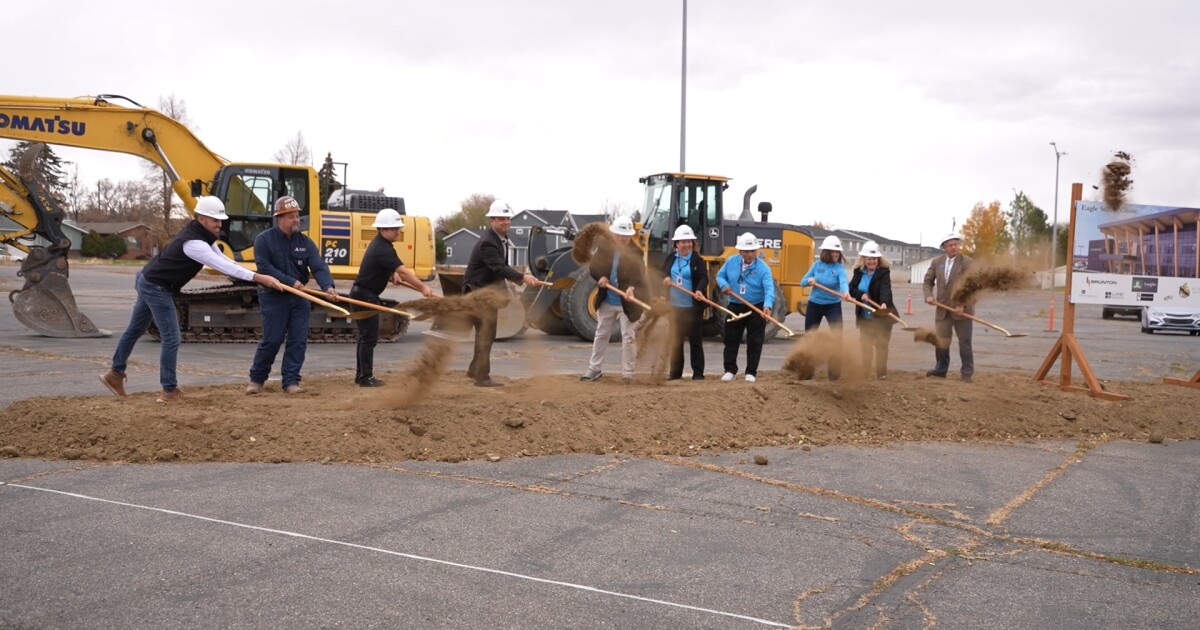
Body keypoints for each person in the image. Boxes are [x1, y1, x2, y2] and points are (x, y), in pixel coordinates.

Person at [99, 197, 285, 402]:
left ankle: (115, 375)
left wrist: (257, 274)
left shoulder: (203, 236)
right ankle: (169, 390)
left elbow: (226, 261)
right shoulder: (194, 244)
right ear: (202, 218)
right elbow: (221, 266)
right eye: (215, 220)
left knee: (135, 330)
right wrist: (259, 278)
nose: (220, 224)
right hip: (156, 286)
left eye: (220, 220)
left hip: (148, 279)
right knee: (171, 337)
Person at [246, 196, 337, 395]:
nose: (297, 220)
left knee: (297, 340)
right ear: (280, 218)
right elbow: (264, 267)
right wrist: (290, 282)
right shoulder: (264, 240)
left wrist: (328, 287)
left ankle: (290, 382)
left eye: (297, 216)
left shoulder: (305, 242)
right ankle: (257, 380)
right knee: (272, 339)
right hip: (273, 297)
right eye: (292, 217)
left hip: (299, 298)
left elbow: (318, 266)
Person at [350, 208, 434, 387]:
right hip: (365, 296)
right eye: (394, 228)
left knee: (366, 337)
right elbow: (403, 272)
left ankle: (361, 376)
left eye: (398, 228)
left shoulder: (381, 245)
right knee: (369, 338)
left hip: (363, 293)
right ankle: (365, 378)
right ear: (382, 229)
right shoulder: (383, 248)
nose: (398, 231)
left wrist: (391, 273)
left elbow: (387, 267)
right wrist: (423, 287)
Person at [462, 199, 538, 387]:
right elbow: (498, 267)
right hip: (477, 292)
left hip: (486, 291)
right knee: (486, 333)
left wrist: (518, 277)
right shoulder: (488, 243)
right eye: (502, 219)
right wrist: (522, 278)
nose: (506, 222)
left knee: (485, 332)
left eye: (508, 219)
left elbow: (501, 266)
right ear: (492, 221)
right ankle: (482, 377)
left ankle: (474, 370)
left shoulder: (499, 240)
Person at [580, 216, 648, 383]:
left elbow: (639, 276)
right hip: (607, 300)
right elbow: (594, 267)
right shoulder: (604, 248)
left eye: (626, 236)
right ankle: (594, 369)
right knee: (601, 333)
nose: (622, 239)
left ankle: (628, 373)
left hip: (627, 302)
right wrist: (601, 277)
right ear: (613, 234)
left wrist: (632, 288)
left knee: (628, 336)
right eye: (619, 235)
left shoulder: (636, 253)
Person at [716, 232, 774, 382]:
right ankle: (730, 370)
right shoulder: (731, 261)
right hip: (735, 305)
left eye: (752, 251)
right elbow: (720, 276)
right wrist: (724, 285)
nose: (749, 254)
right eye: (746, 251)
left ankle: (751, 372)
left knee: (755, 341)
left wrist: (767, 305)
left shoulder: (763, 268)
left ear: (756, 250)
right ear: (740, 251)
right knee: (730, 339)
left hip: (756, 306)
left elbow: (769, 288)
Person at [923, 233, 974, 382]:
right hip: (942, 310)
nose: (954, 247)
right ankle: (941, 369)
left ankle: (966, 373)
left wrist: (963, 304)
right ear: (944, 247)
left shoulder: (967, 262)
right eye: (950, 245)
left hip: (962, 312)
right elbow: (928, 281)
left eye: (956, 244)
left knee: (965, 342)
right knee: (941, 341)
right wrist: (928, 296)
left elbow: (974, 286)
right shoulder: (937, 262)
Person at [659, 225, 708, 380]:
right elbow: (662, 273)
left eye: (689, 241)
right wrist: (665, 278)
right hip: (674, 307)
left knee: (695, 341)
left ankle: (698, 373)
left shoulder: (697, 260)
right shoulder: (671, 258)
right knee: (676, 341)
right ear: (676, 244)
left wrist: (699, 290)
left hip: (692, 308)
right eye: (683, 242)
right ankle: (675, 373)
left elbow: (703, 278)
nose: (686, 244)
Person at [800, 235, 850, 380]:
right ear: (826, 252)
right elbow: (802, 281)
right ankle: (807, 371)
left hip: (833, 306)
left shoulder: (839, 268)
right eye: (832, 252)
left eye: (837, 252)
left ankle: (834, 374)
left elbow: (843, 282)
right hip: (814, 305)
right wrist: (809, 280)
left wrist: (845, 292)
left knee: (837, 338)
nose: (835, 254)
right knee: (810, 337)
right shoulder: (817, 265)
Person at [849, 241, 895, 380]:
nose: (872, 261)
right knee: (865, 344)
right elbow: (851, 289)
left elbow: (885, 289)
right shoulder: (858, 272)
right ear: (864, 259)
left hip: (882, 314)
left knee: (881, 345)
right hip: (865, 316)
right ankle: (865, 372)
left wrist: (884, 302)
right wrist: (860, 295)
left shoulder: (884, 273)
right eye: (869, 258)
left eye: (875, 258)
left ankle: (881, 374)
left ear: (878, 259)